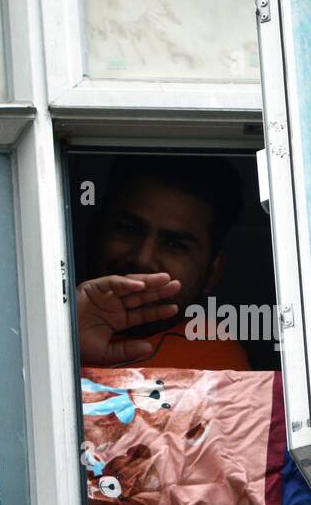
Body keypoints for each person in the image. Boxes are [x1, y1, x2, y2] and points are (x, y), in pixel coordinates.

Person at [77, 155, 252, 371]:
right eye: (128, 229)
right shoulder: (43, 320)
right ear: (94, 232)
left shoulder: (212, 363)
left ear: (212, 272)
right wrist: (63, 336)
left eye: (173, 244)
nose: (142, 259)